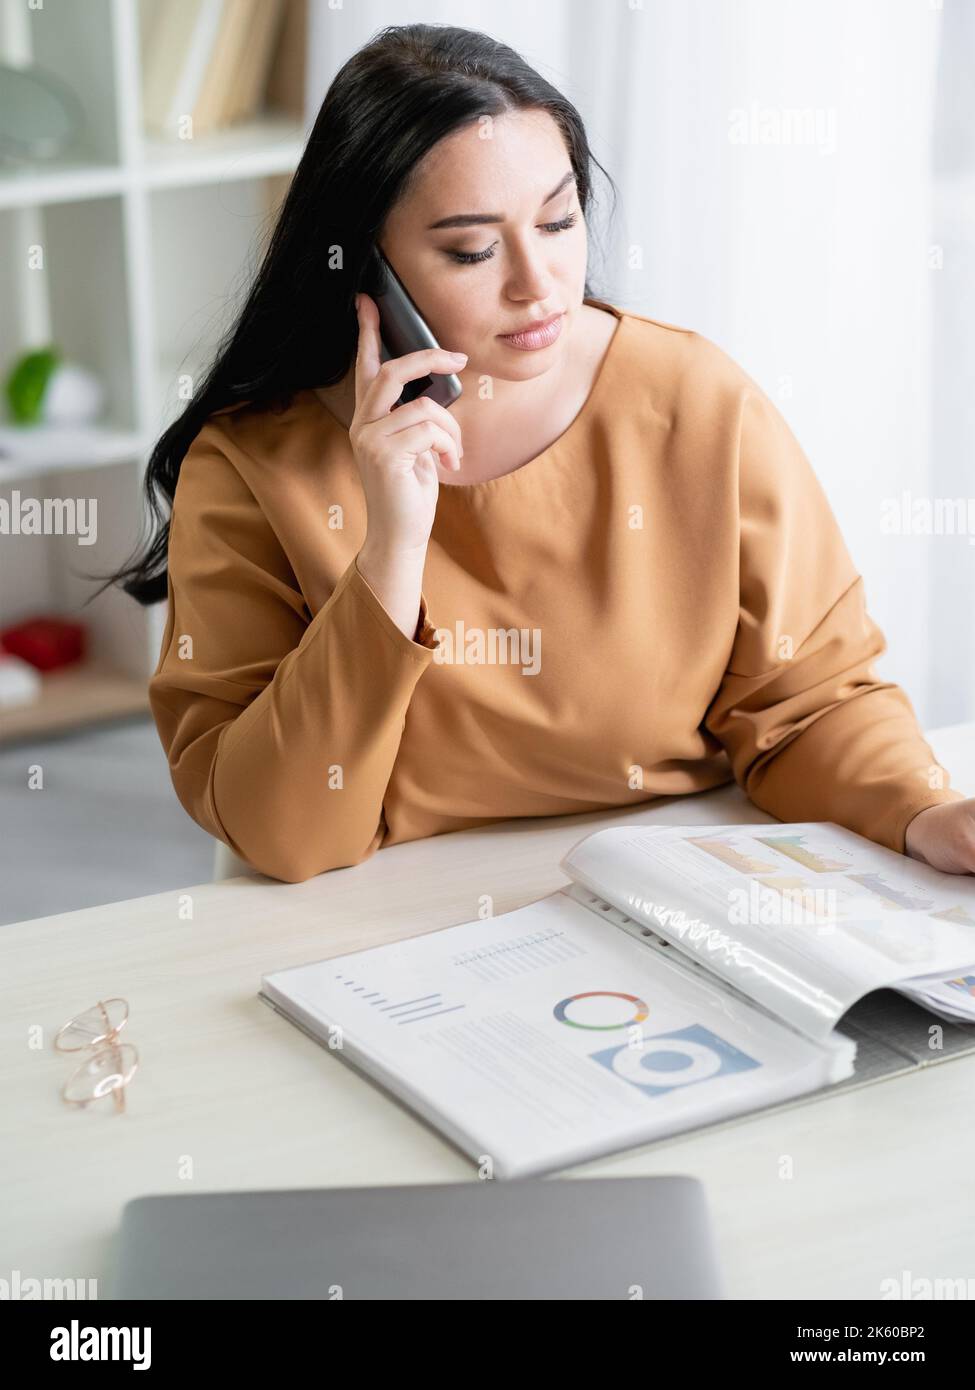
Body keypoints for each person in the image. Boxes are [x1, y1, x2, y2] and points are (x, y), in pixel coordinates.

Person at [100, 23, 973, 884]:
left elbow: (803, 706)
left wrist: (922, 813)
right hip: (389, 925)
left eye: (558, 221)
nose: (537, 284)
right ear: (367, 267)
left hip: (685, 883)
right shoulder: (253, 466)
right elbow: (285, 832)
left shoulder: (693, 399)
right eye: (472, 249)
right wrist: (391, 550)